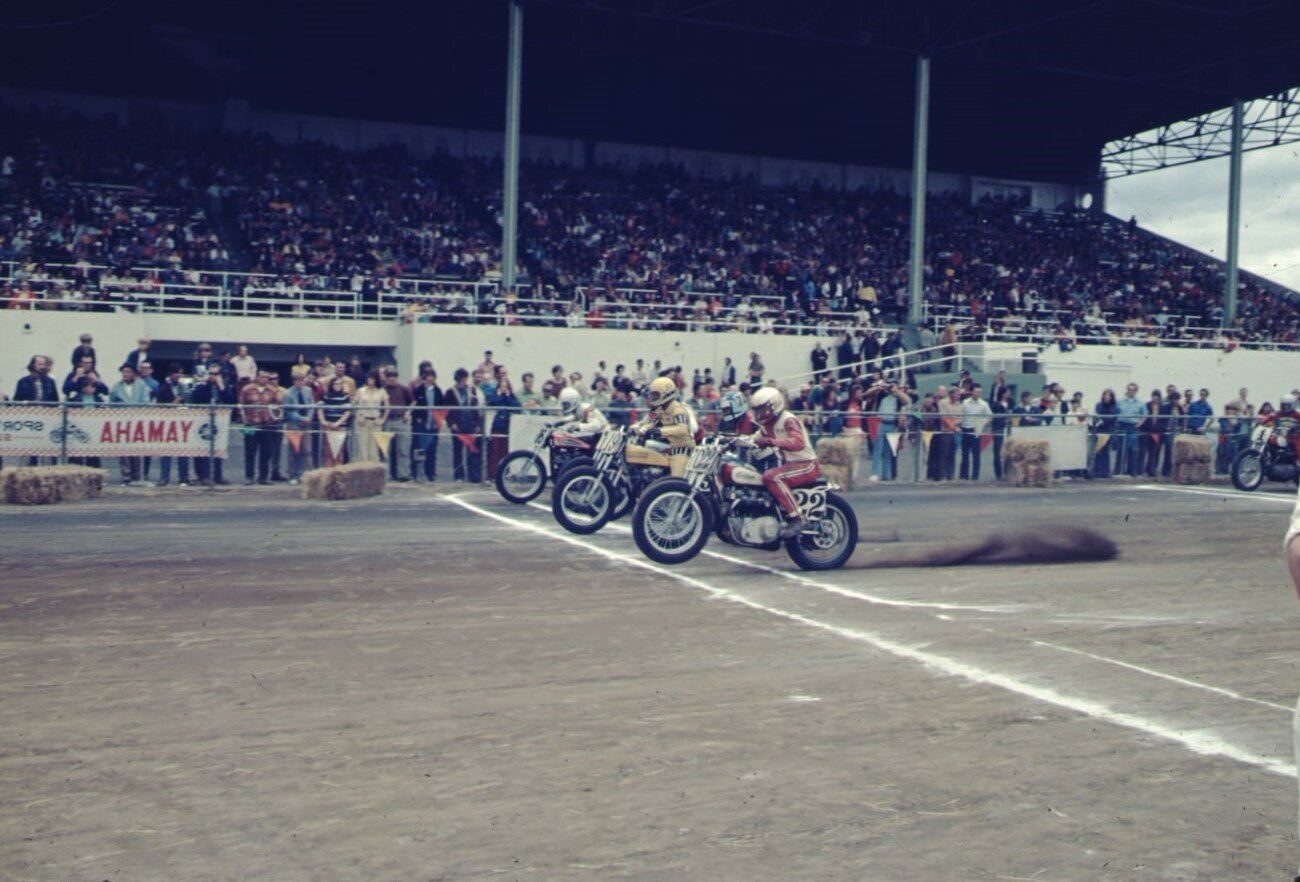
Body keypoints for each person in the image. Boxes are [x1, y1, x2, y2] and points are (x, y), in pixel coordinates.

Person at [748, 386, 819, 539]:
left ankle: (798, 518)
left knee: (772, 477)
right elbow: (754, 438)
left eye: (762, 409)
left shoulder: (788, 420)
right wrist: (733, 440)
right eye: (757, 410)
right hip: (791, 465)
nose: (759, 414)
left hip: (806, 464)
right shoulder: (768, 425)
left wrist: (773, 442)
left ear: (774, 406)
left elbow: (798, 442)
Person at [632, 377, 697, 478]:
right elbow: (651, 422)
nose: (652, 398)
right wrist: (638, 430)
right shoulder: (660, 409)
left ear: (666, 393)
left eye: (656, 395)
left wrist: (660, 431)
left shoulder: (678, 409)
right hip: (672, 448)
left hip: (683, 449)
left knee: (676, 479)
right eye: (653, 395)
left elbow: (682, 429)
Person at [238, 369, 284, 485]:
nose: (265, 379)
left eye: (267, 378)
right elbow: (241, 405)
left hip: (267, 425)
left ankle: (263, 477)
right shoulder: (247, 389)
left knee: (266, 452)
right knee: (250, 452)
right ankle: (249, 477)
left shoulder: (272, 390)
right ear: (257, 377)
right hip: (251, 424)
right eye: (263, 377)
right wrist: (244, 420)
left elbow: (278, 405)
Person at [191, 362, 233, 485]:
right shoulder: (202, 386)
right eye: (211, 374)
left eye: (216, 374)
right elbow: (196, 398)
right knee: (202, 449)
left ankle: (217, 475)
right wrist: (206, 383)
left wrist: (221, 386)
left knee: (218, 448)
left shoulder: (224, 387)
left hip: (219, 422)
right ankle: (203, 475)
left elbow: (230, 400)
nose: (213, 376)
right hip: (203, 422)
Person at [110, 363, 153, 484]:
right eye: (124, 372)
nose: (125, 374)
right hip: (122, 422)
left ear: (133, 373)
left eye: (128, 372)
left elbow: (146, 401)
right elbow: (112, 403)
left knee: (137, 450)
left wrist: (137, 413)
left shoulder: (141, 385)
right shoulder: (116, 387)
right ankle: (126, 476)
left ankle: (137, 475)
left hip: (137, 422)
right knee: (123, 451)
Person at [866, 380, 911, 482]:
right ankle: (875, 473)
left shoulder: (898, 397)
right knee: (878, 450)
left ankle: (887, 474)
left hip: (892, 425)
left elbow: (906, 401)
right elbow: (867, 394)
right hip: (880, 423)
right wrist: (879, 387)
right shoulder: (881, 394)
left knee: (888, 451)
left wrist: (897, 391)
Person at [155, 364, 191, 487]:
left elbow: (189, 400)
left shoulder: (183, 387)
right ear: (171, 374)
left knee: (183, 451)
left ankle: (184, 477)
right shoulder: (163, 388)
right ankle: (164, 477)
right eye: (177, 373)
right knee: (166, 451)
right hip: (168, 422)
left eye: (180, 373)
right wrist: (172, 403)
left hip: (182, 422)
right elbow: (159, 404)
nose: (179, 375)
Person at [447, 367, 483, 482]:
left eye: (465, 379)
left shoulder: (471, 390)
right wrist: (451, 423)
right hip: (458, 424)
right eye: (462, 380)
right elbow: (446, 410)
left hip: (470, 423)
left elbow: (475, 407)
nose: (464, 382)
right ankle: (459, 475)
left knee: (473, 449)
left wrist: (477, 424)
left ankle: (474, 476)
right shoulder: (450, 392)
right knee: (457, 451)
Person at [282, 372, 316, 485]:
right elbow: (288, 411)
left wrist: (309, 417)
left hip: (307, 425)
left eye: (302, 380)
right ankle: (292, 475)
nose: (300, 383)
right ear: (294, 381)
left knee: (307, 450)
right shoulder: (288, 393)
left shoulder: (308, 391)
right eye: (298, 381)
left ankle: (310, 476)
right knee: (294, 451)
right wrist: (301, 418)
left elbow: (312, 405)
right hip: (294, 425)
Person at [382, 368, 414, 482]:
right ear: (386, 378)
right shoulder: (383, 390)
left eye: (394, 376)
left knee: (403, 449)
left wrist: (408, 412)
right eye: (389, 376)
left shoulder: (403, 388)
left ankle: (403, 474)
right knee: (386, 450)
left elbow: (413, 401)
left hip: (401, 421)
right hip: (388, 421)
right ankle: (386, 475)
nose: (392, 379)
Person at [413, 369, 443, 481]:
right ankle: (418, 473)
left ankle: (431, 473)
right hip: (422, 424)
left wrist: (438, 421)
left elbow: (442, 407)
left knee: (432, 450)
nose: (430, 378)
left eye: (432, 376)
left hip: (434, 424)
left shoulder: (438, 391)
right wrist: (418, 418)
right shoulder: (419, 390)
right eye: (428, 376)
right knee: (420, 449)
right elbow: (415, 405)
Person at [353, 370, 388, 465]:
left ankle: (374, 472)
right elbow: (354, 405)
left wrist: (382, 419)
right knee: (362, 449)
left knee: (374, 450)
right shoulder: (360, 391)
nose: (370, 381)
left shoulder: (381, 391)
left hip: (375, 422)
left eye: (372, 379)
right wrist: (358, 417)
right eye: (369, 379)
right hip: (363, 422)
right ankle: (362, 472)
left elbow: (387, 407)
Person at [319, 376, 354, 468]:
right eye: (336, 384)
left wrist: (337, 423)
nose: (338, 386)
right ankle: (329, 474)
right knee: (328, 452)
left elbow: (347, 412)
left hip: (341, 427)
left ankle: (338, 474)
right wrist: (324, 421)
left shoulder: (345, 396)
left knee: (339, 452)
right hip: (328, 427)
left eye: (340, 384)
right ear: (331, 385)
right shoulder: (326, 395)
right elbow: (320, 409)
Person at [959, 384, 993, 481]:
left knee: (976, 455)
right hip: (965, 428)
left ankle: (975, 476)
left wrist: (982, 424)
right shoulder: (965, 402)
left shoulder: (984, 404)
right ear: (971, 392)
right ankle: (964, 476)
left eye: (979, 392)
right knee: (964, 454)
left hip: (976, 429)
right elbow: (961, 414)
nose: (978, 394)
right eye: (976, 391)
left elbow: (990, 416)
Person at [1115, 382, 1145, 477]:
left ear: (1136, 391)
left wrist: (1139, 424)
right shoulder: (1120, 401)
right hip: (1122, 426)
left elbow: (1144, 415)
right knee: (1121, 449)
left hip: (1133, 427)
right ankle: (1118, 470)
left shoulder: (1140, 403)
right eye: (1129, 389)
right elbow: (1115, 412)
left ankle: (1132, 471)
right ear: (1127, 390)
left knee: (1132, 449)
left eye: (1133, 390)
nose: (1131, 391)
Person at [1092, 389, 1119, 478]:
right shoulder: (1098, 405)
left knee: (1106, 452)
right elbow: (1097, 416)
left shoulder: (1114, 406)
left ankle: (1105, 471)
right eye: (1106, 395)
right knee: (1098, 451)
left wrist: (1104, 419)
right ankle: (1097, 471)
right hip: (1100, 430)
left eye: (1109, 395)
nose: (1107, 397)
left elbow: (1112, 419)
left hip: (1108, 431)